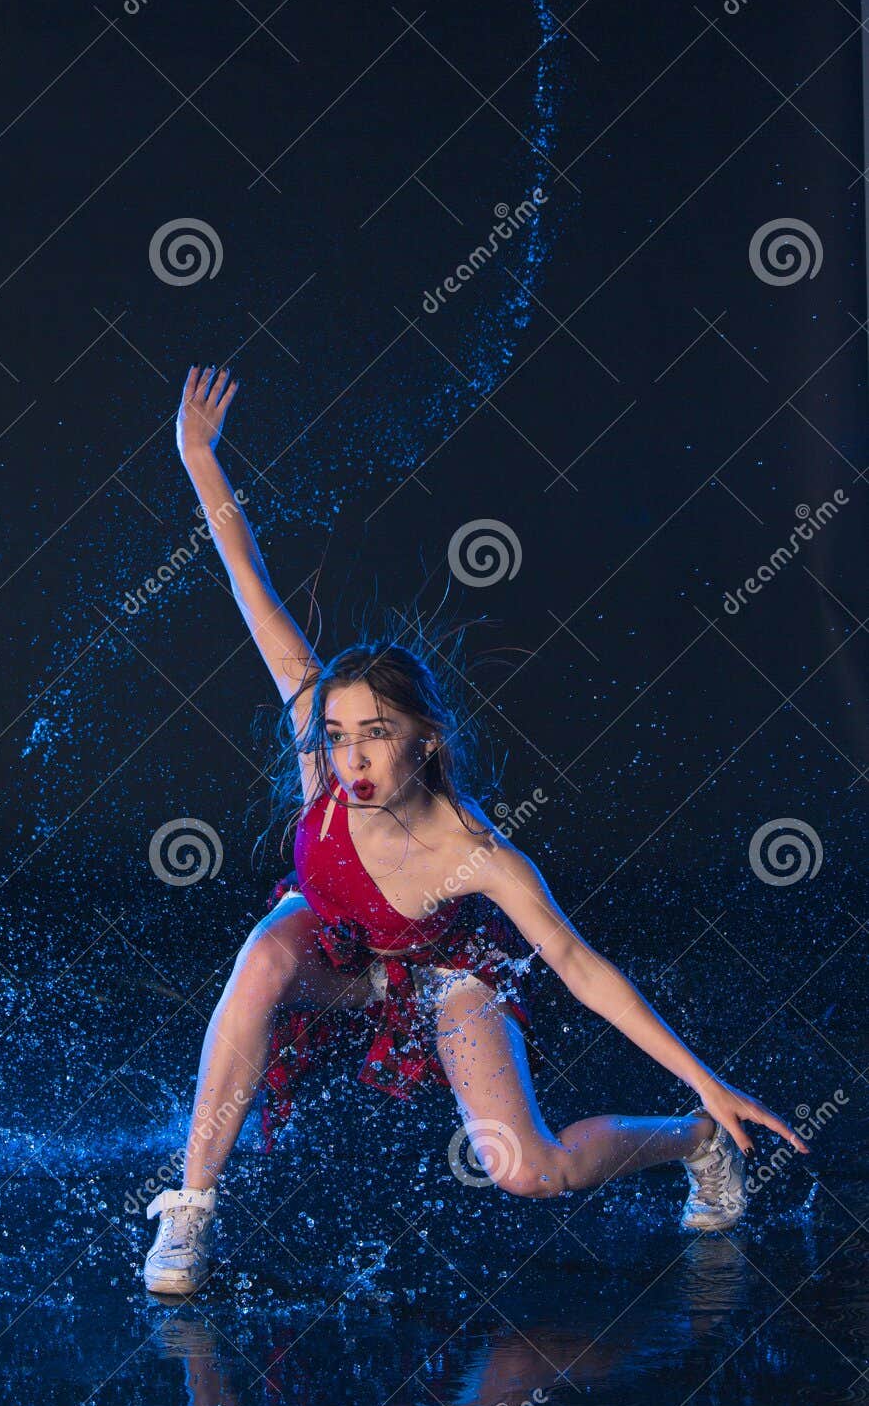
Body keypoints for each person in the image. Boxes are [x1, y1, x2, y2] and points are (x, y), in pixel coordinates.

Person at [143, 365, 809, 1296]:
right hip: (334, 951)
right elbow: (246, 574)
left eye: (376, 736)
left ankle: (690, 1143)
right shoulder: (320, 748)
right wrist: (196, 457)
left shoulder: (475, 853)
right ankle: (190, 1215)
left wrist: (704, 1083)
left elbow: (578, 967)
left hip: (440, 976)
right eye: (337, 738)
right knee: (261, 954)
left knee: (525, 1170)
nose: (351, 761)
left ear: (427, 739)